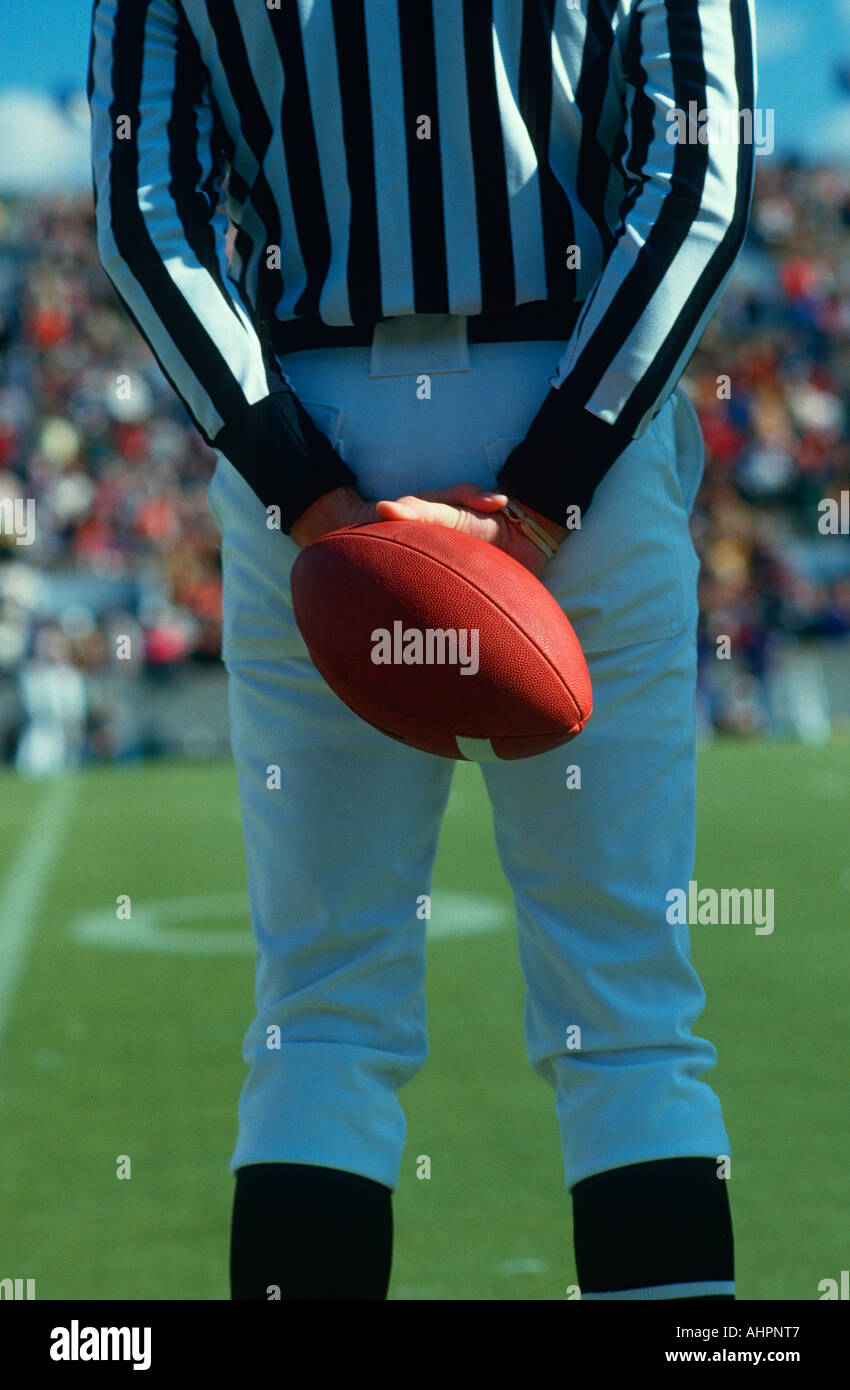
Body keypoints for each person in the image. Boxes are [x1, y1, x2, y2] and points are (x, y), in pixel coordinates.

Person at [89, 0, 756, 1301]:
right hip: (579, 407)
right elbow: (698, 175)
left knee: (322, 1013)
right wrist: (551, 487)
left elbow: (139, 209)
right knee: (627, 1016)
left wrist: (311, 494)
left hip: (320, 435)